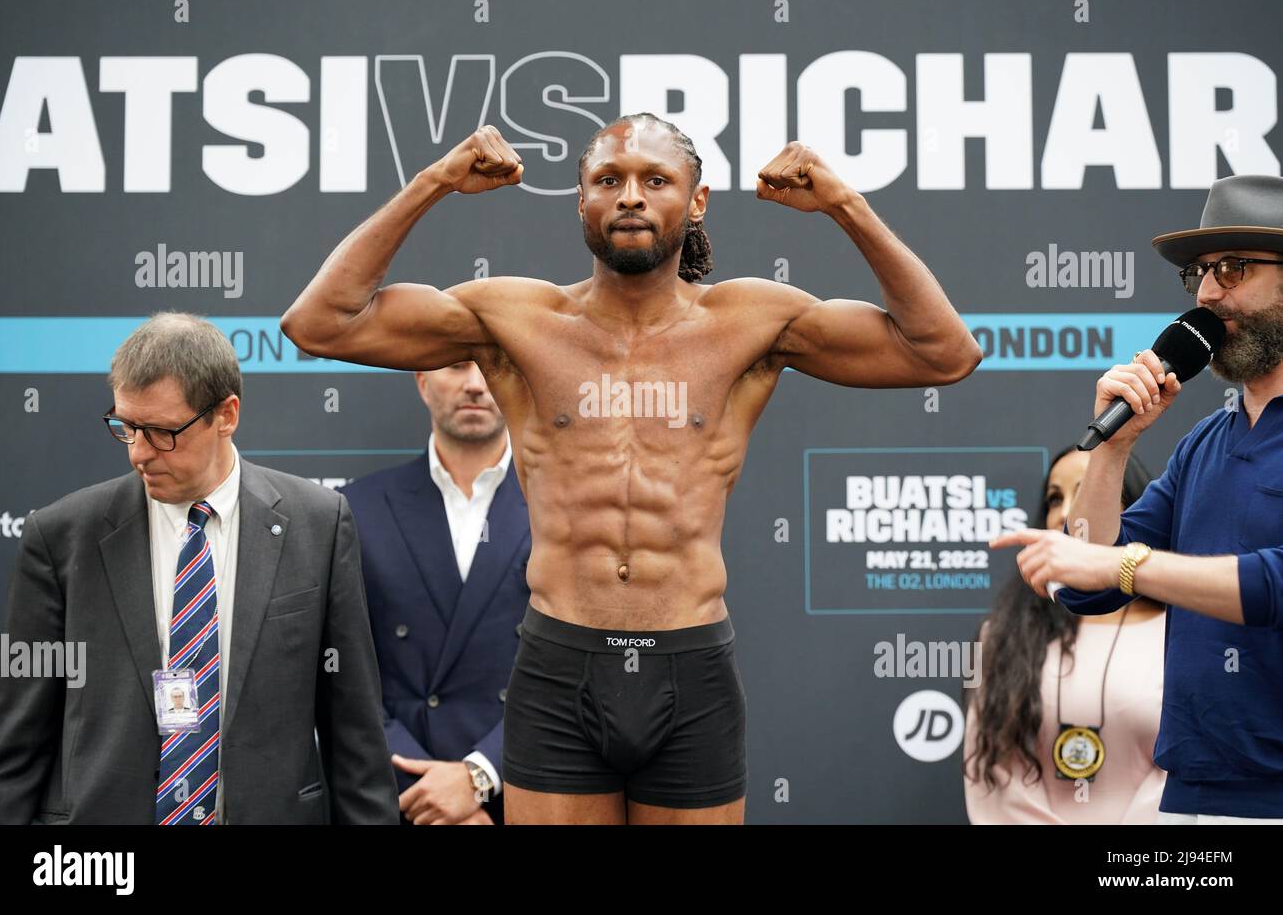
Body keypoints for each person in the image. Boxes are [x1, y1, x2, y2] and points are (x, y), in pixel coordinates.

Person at [281, 114, 982, 824]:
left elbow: (942, 353)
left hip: (691, 666)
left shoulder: (750, 322)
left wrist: (844, 205)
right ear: (580, 201)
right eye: (608, 180)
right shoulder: (517, 319)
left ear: (697, 200)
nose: (631, 197)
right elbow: (320, 323)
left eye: (656, 180)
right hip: (561, 664)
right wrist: (433, 182)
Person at [0, 313, 398, 824]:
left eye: (161, 433)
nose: (138, 453)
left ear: (226, 415)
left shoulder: (318, 524)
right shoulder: (62, 536)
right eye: (127, 427)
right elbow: (15, 745)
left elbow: (354, 731)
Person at [991, 174, 1283, 823]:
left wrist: (1128, 567)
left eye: (1234, 268)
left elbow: (1274, 584)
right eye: (1201, 273)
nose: (1207, 293)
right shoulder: (1204, 444)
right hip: (1189, 799)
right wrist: (1114, 450)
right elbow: (1087, 586)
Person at [341, 360, 529, 826]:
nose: (474, 385)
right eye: (456, 367)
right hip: (399, 800)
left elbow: (584, 676)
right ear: (422, 382)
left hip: (524, 796)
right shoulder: (356, 508)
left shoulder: (567, 504)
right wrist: (428, 795)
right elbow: (338, 677)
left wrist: (480, 776)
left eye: (492, 368)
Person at [964, 445, 1166, 823]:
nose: (1067, 512)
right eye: (1055, 498)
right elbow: (993, 778)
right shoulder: (1002, 636)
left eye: (1088, 488)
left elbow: (1188, 769)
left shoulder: (1184, 633)